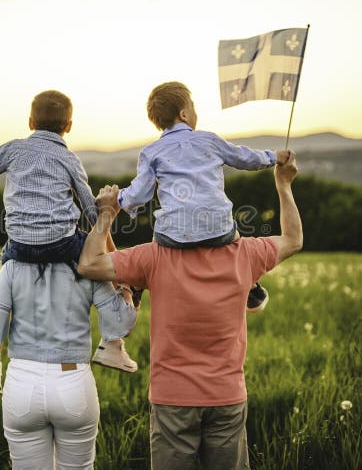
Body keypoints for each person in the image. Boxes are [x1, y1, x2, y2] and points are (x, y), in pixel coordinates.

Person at [77, 151, 303, 469]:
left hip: (172, 398)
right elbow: (293, 239)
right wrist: (283, 184)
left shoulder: (154, 257)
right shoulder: (245, 254)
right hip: (227, 395)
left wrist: (106, 215)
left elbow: (89, 263)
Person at [0, 90, 138, 394]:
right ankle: (112, 343)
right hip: (62, 244)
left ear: (30, 121)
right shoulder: (68, 158)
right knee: (96, 260)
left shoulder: (14, 150)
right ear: (68, 126)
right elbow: (90, 211)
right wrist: (115, 259)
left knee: (3, 279)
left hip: (18, 247)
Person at [117, 81, 288, 313]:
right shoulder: (209, 140)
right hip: (219, 231)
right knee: (234, 236)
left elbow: (139, 194)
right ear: (185, 113)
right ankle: (250, 286)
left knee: (158, 239)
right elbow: (245, 158)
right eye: (194, 106)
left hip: (173, 237)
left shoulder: (151, 152)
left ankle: (137, 285)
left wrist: (118, 199)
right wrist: (273, 157)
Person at [0, 257, 137, 469]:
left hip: (22, 383)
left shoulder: (12, 267)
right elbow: (120, 323)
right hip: (73, 381)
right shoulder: (86, 265)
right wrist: (126, 289)